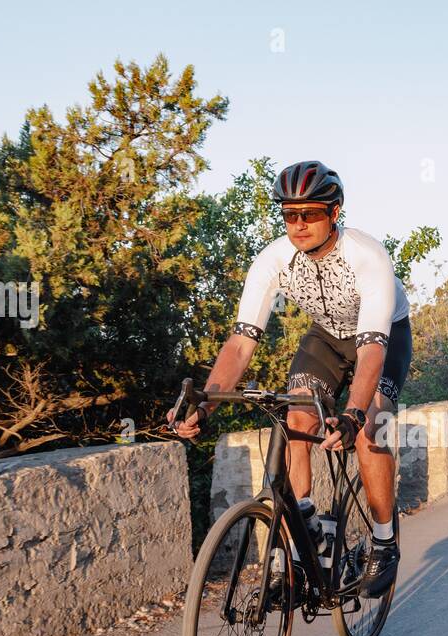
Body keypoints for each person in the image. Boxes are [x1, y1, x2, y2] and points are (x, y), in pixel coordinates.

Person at [170, 160, 410, 597]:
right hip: (326, 336)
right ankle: (308, 536)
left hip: (383, 337)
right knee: (296, 419)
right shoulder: (273, 260)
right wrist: (204, 403)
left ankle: (383, 540)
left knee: (370, 428)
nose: (298, 225)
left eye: (310, 213)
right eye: (289, 215)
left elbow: (372, 348)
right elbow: (241, 343)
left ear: (334, 213)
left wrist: (354, 413)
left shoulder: (367, 255)